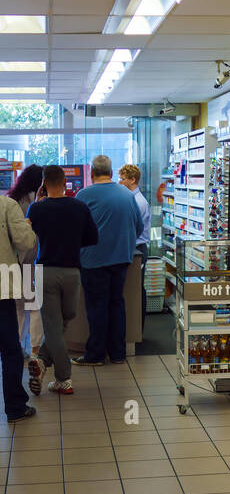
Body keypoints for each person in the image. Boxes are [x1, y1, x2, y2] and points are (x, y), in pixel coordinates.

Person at [27, 165, 99, 396]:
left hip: (45, 271)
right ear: (66, 184)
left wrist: (38, 203)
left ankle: (43, 363)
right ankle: (62, 377)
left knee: (55, 326)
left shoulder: (36, 209)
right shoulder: (79, 206)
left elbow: (27, 239)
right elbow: (92, 238)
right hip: (72, 272)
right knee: (64, 320)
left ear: (44, 184)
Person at [73, 154, 139, 366]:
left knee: (97, 307)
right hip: (121, 259)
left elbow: (74, 228)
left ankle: (96, 354)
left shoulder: (84, 195)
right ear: (111, 173)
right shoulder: (127, 195)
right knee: (116, 304)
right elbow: (138, 226)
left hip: (93, 260)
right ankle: (118, 353)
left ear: (91, 173)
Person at [0, 192, 37, 421]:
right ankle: (15, 407)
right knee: (10, 349)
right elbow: (26, 242)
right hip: (1, 286)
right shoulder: (6, 204)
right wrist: (27, 227)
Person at [7, 164, 43, 359]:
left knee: (18, 308)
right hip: (28, 262)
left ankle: (17, 346)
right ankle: (35, 350)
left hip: (11, 263)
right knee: (34, 306)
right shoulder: (35, 202)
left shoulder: (12, 199)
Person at [119, 163, 150, 339]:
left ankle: (138, 330)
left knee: (137, 289)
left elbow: (133, 229)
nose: (119, 182)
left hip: (137, 249)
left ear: (132, 180)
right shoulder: (131, 199)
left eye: (123, 178)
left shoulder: (138, 202)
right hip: (133, 247)